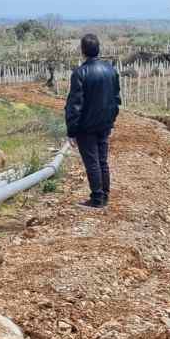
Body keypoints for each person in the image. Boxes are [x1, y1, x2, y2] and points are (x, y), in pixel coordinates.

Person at [65, 32, 121, 209]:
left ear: (83, 50)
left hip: (86, 127)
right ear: (98, 49)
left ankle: (97, 199)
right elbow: (116, 99)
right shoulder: (111, 71)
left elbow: (75, 105)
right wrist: (111, 120)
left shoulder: (80, 73)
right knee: (102, 161)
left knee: (92, 162)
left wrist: (72, 131)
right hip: (104, 124)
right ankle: (104, 195)